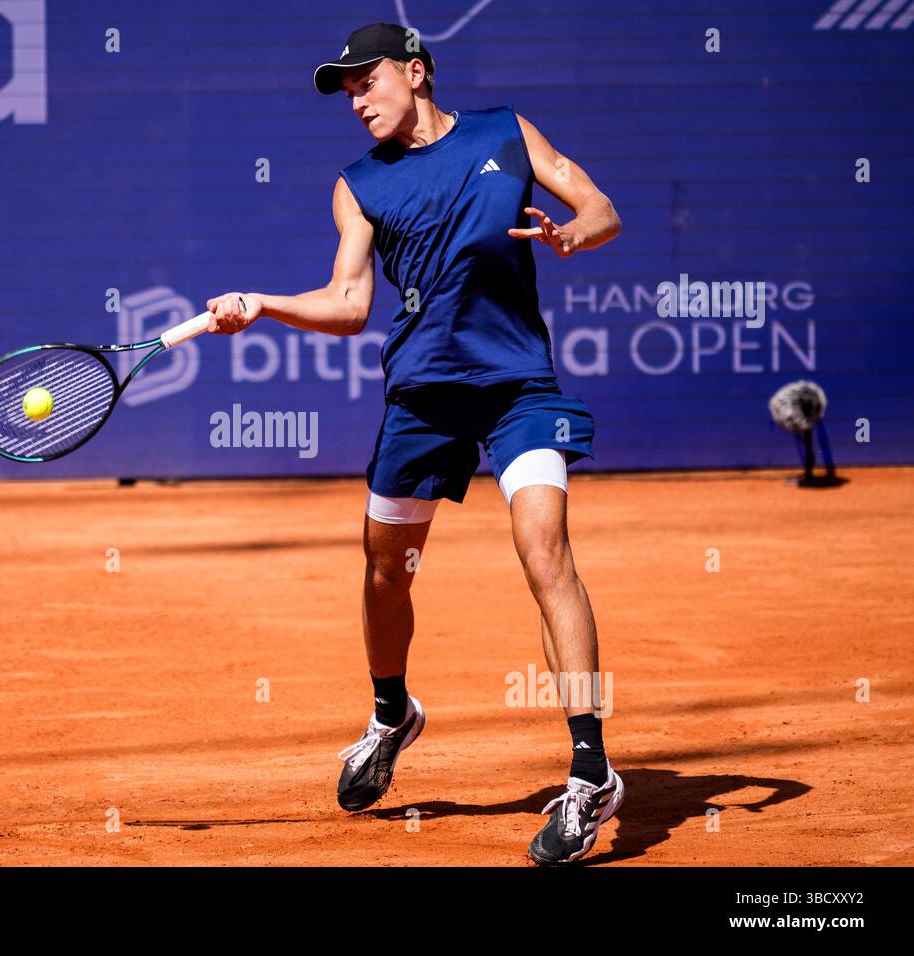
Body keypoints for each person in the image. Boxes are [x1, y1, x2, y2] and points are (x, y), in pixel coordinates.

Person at [204, 22, 623, 865]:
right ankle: (392, 712)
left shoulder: (505, 131)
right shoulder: (358, 185)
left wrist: (577, 233)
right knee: (385, 568)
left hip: (517, 388)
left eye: (369, 81)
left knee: (546, 552)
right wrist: (266, 302)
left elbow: (599, 206)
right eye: (347, 91)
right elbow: (350, 303)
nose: (358, 100)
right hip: (423, 397)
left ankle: (589, 772)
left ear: (417, 72)